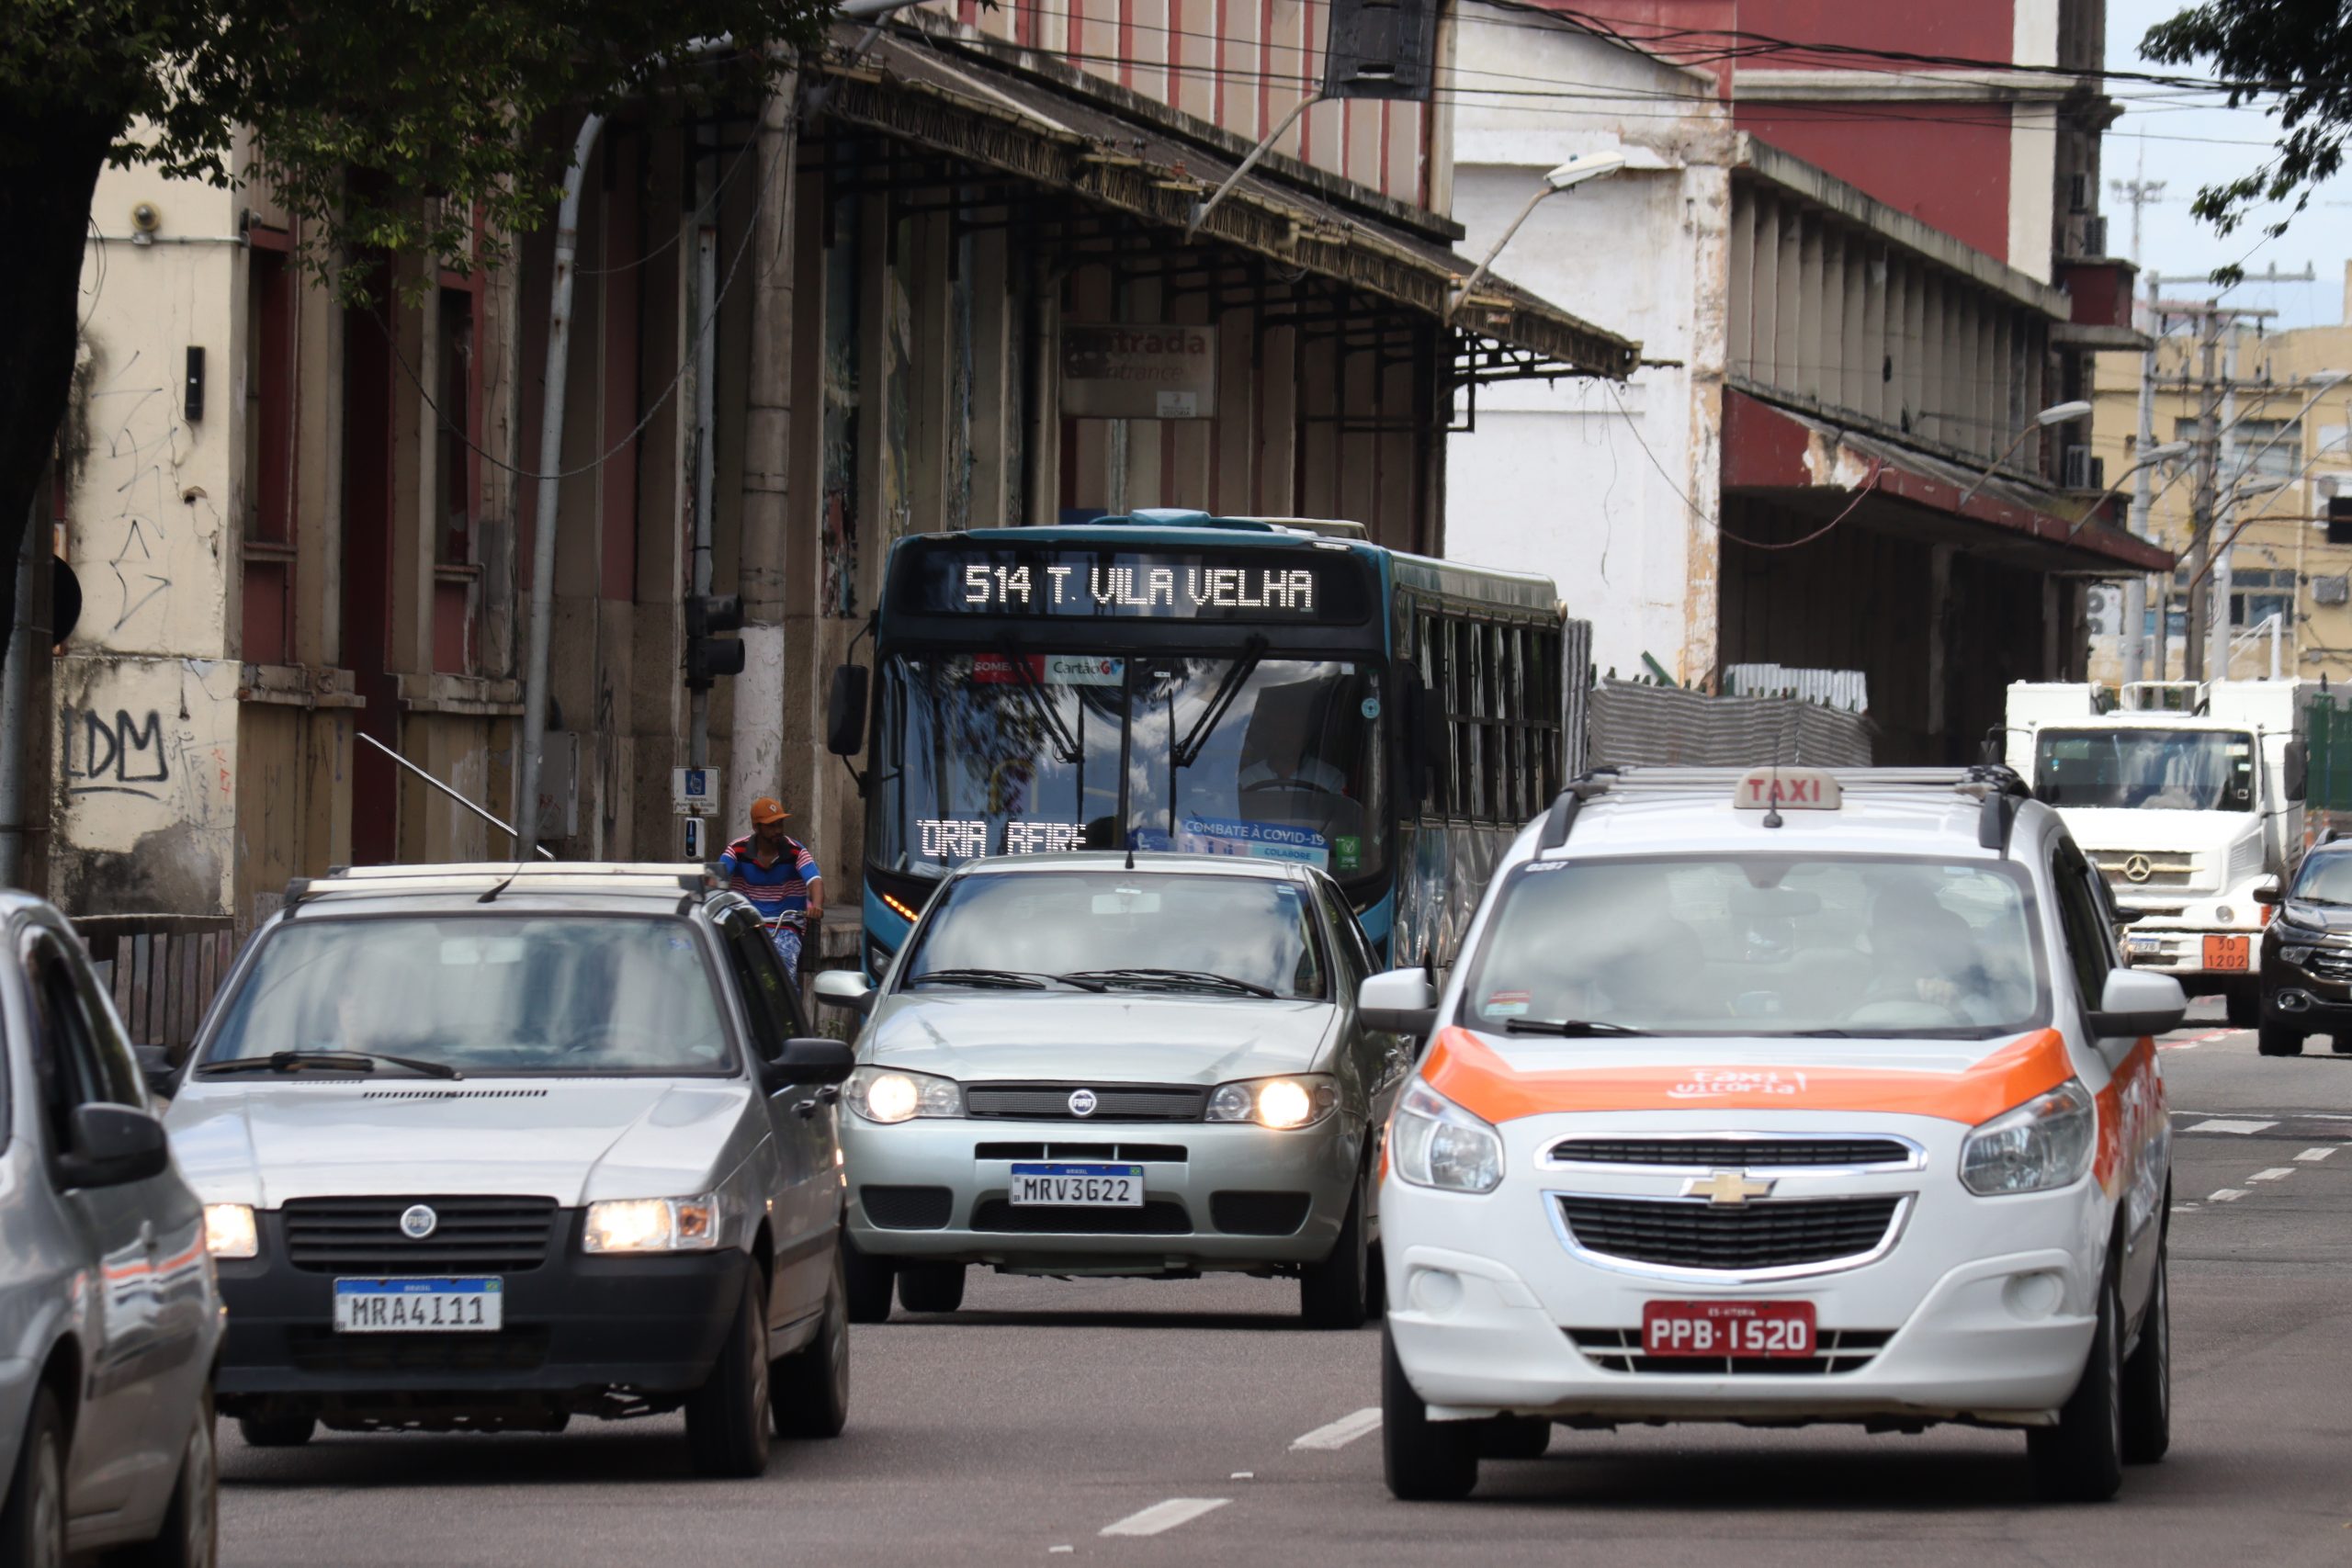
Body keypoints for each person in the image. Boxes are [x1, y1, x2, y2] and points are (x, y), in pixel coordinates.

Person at [720, 797, 824, 976]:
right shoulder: (737, 850)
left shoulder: (796, 851)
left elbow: (815, 881)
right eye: (771, 826)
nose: (778, 830)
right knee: (735, 973)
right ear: (756, 827)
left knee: (783, 967)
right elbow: (717, 876)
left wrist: (817, 906)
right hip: (747, 925)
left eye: (780, 824)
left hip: (785, 925)